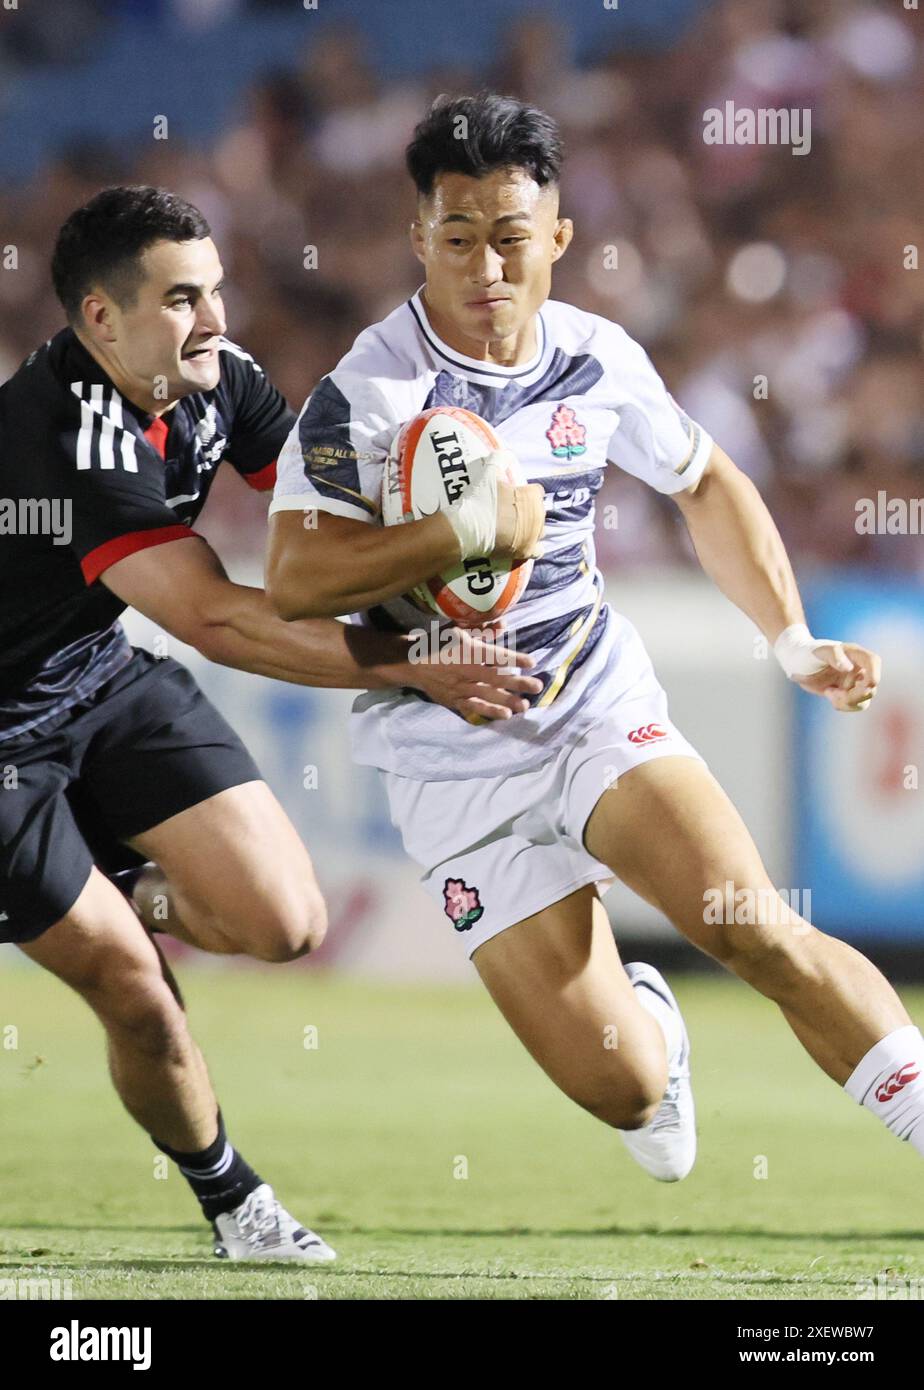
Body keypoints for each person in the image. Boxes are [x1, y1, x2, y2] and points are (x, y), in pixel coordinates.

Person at [266, 93, 924, 1185]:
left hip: (591, 701)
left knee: (753, 927)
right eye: (460, 238)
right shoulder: (368, 393)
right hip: (449, 750)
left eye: (512, 240)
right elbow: (294, 578)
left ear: (558, 239)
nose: (486, 269)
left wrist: (792, 637)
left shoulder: (598, 357)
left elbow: (706, 479)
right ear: (420, 236)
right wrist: (464, 526)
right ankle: (655, 1030)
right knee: (620, 1087)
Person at [0, 184, 541, 1260]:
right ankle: (235, 1201)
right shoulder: (58, 439)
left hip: (98, 676)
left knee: (285, 924)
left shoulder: (223, 382)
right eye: (181, 299)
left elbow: (321, 535)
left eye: (216, 290)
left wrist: (455, 530)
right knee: (135, 986)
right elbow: (219, 619)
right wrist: (421, 657)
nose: (216, 320)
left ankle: (107, 880)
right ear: (100, 319)